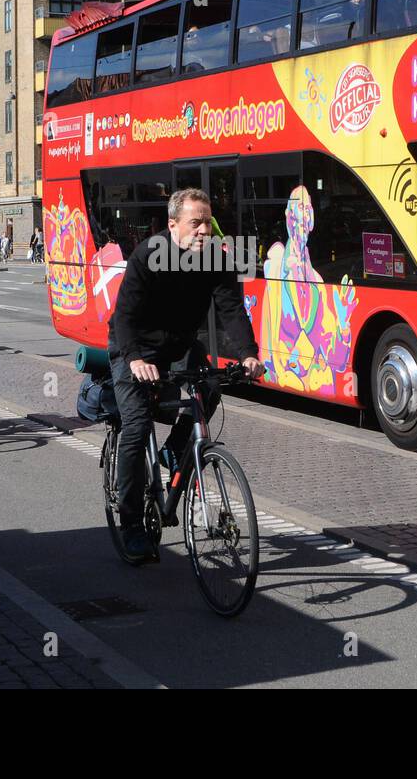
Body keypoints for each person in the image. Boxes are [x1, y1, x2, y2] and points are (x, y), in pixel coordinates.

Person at [107, 188, 263, 562]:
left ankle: (175, 453)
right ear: (173, 225)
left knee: (209, 387)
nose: (204, 231)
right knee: (137, 424)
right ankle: (131, 526)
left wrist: (248, 355)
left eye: (208, 222)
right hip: (135, 347)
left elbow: (231, 310)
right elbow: (125, 314)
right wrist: (133, 359)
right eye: (195, 223)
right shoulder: (148, 255)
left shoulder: (216, 259)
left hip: (177, 346)